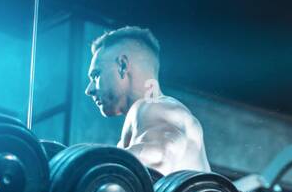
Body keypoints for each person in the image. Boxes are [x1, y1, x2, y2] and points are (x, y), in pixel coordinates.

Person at [85, 25, 210, 175]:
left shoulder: (154, 107)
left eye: (96, 75)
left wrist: (81, 168)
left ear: (122, 66)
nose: (89, 90)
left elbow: (159, 157)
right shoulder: (151, 114)